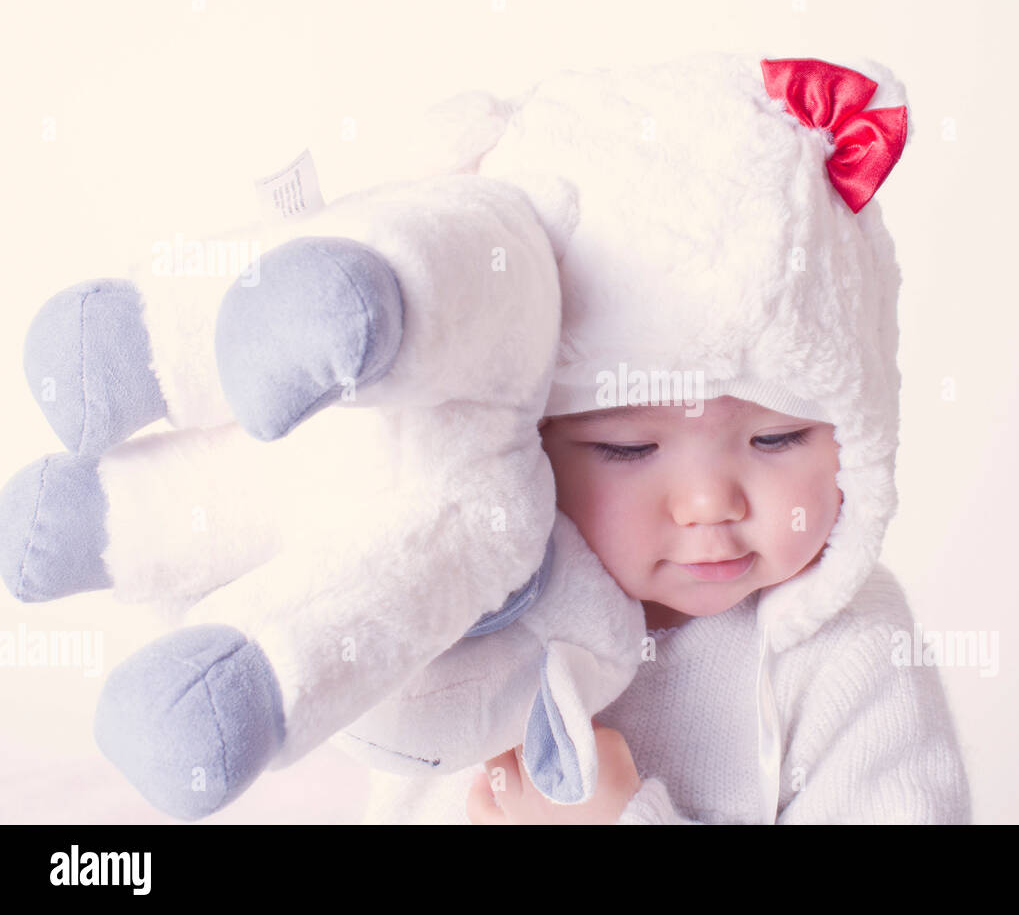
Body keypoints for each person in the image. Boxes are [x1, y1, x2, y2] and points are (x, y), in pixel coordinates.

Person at [365, 51, 973, 824]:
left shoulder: (852, 651)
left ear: (854, 438)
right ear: (531, 445)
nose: (706, 505)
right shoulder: (474, 634)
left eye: (778, 438)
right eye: (628, 448)